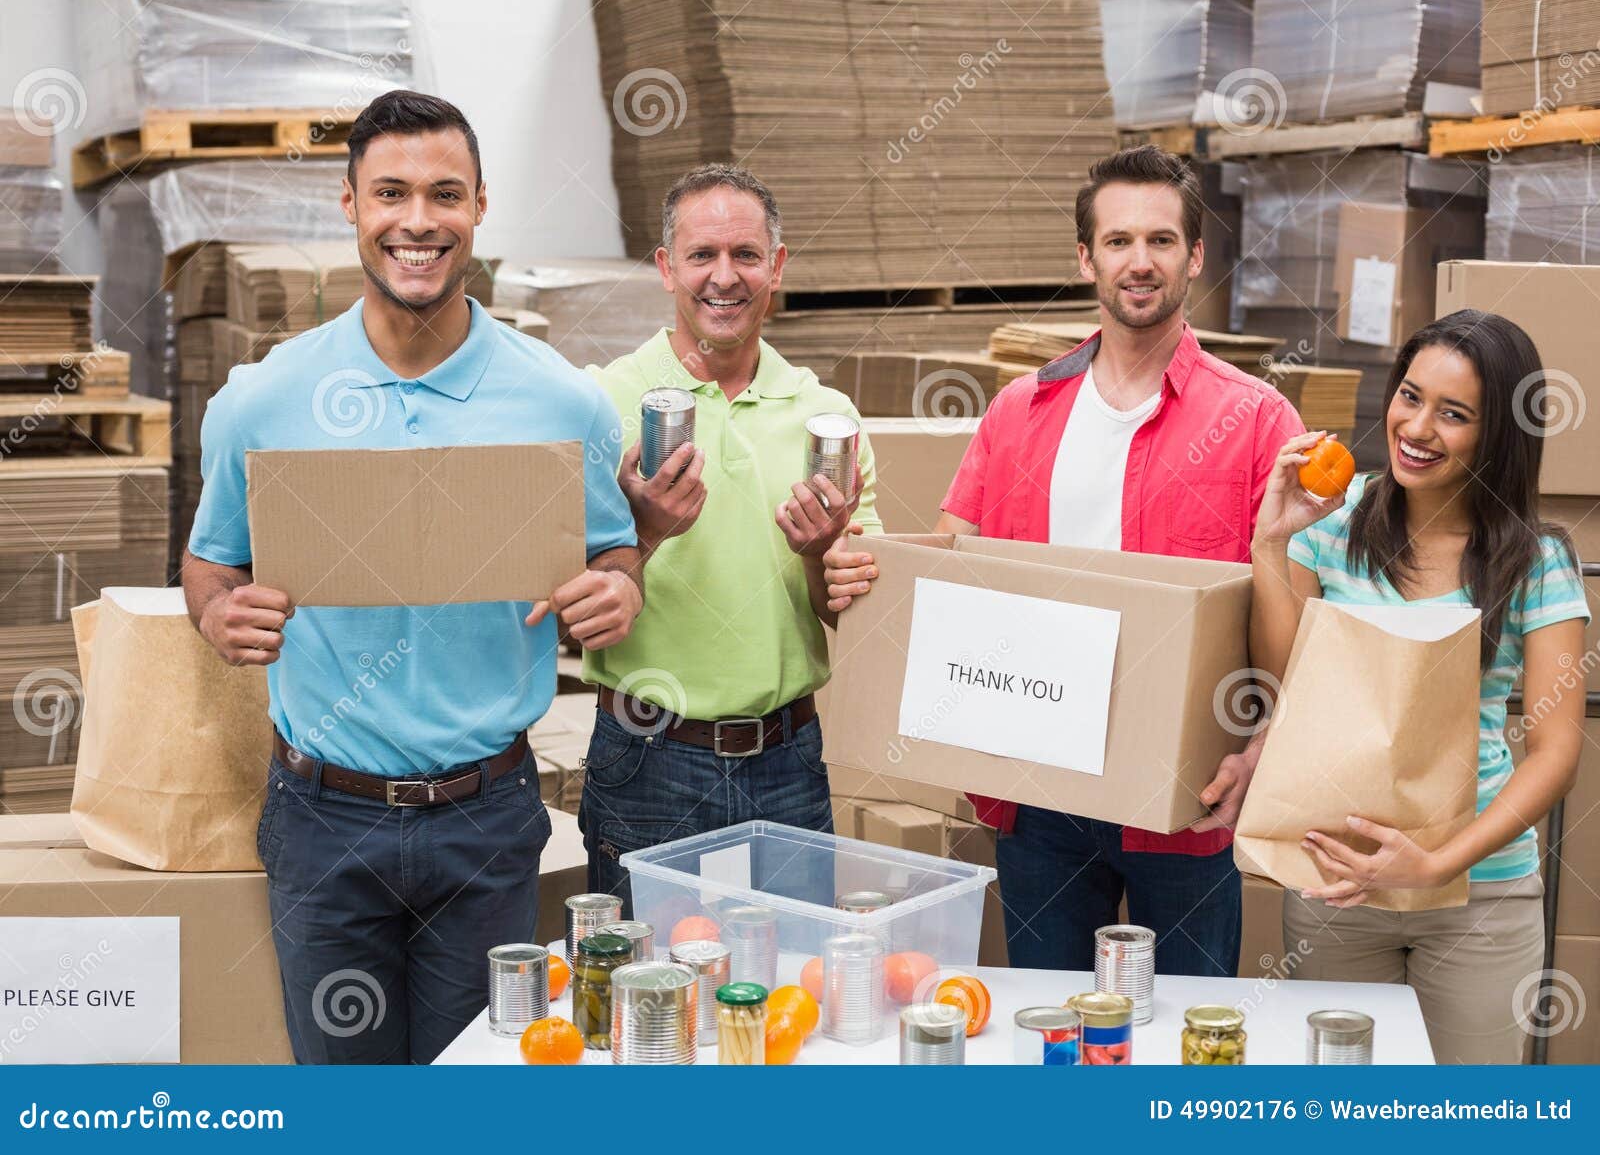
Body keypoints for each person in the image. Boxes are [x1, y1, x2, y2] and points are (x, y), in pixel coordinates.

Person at [181, 91, 643, 1064]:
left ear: (479, 205)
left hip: (486, 821)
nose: (418, 220)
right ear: (350, 204)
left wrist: (622, 580)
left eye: (444, 193)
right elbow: (209, 560)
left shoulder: (562, 399)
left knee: (473, 1095)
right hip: (319, 819)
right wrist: (220, 613)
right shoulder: (263, 400)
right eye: (391, 192)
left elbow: (613, 544)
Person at [824, 145, 1304, 977]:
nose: (1140, 261)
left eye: (1161, 240)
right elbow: (949, 564)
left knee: (1181, 1040)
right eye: (1118, 241)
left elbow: (1293, 613)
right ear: (1086, 257)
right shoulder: (1021, 410)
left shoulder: (1258, 420)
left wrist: (1268, 740)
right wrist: (856, 564)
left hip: (1183, 794)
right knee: (1050, 1028)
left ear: (1195, 256)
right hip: (1039, 792)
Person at [1249, 310, 1588, 1064]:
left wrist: (1437, 862)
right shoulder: (1330, 523)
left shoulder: (1537, 562)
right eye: (1410, 395)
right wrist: (1273, 540)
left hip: (1481, 895)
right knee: (1339, 1120)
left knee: (1464, 1123)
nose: (1418, 426)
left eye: (1454, 413)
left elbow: (1556, 751)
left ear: (1497, 433)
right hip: (1337, 878)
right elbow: (1279, 682)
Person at [578, 163, 881, 906]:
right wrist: (643, 534)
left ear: (776, 267)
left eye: (746, 255)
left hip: (788, 759)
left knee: (789, 1002)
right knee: (645, 1003)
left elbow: (850, 609)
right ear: (665, 268)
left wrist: (819, 555)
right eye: (702, 255)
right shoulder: (600, 404)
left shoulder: (825, 416)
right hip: (648, 758)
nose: (724, 276)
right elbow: (565, 607)